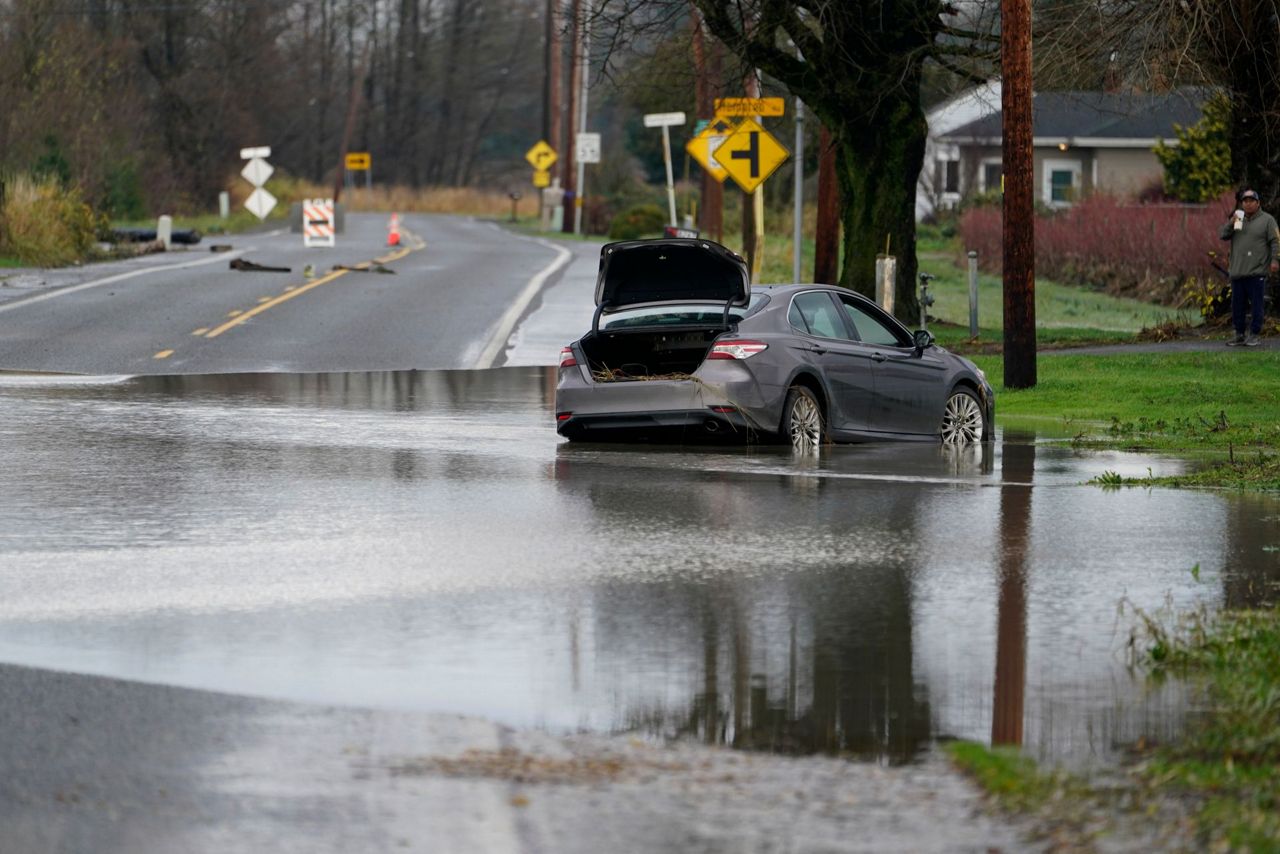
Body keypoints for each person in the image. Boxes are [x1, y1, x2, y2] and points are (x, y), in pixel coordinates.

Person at [1219, 188, 1280, 346]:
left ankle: (1254, 334)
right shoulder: (1238, 219)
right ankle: (1239, 334)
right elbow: (1223, 235)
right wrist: (1231, 223)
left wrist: (1275, 260)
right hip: (1238, 271)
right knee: (1237, 306)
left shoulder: (1267, 220)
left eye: (1251, 201)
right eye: (1244, 201)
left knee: (1257, 306)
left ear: (1258, 203)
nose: (1247, 204)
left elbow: (1276, 241)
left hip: (1256, 271)